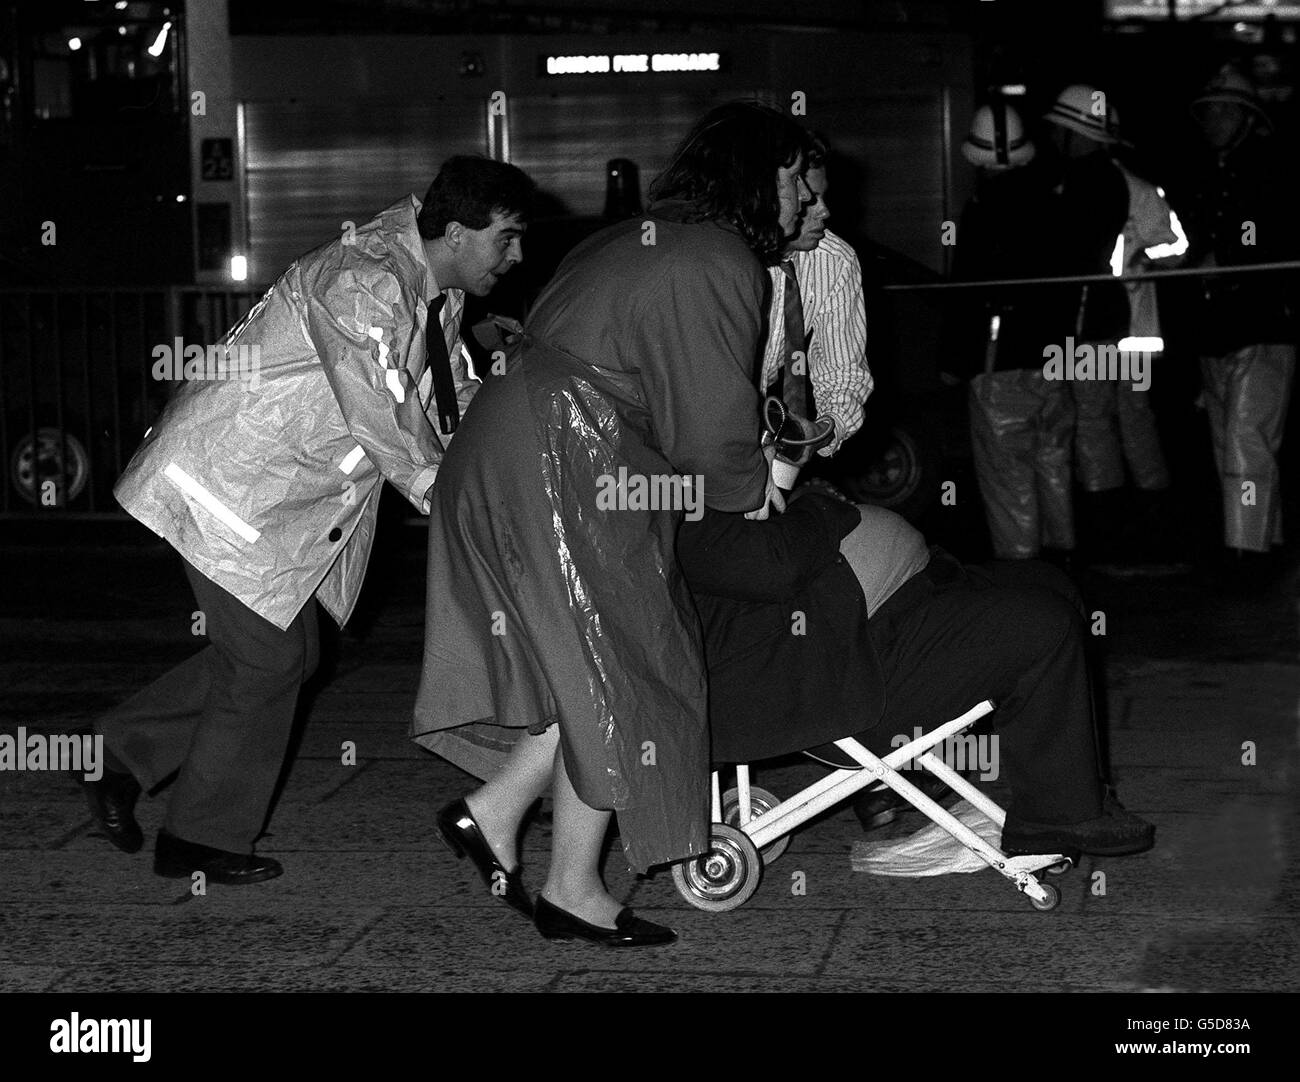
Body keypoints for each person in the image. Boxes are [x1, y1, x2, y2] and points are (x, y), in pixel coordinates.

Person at [411, 103, 810, 947]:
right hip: (568, 455)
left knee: (580, 663)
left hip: (515, 440)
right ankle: (570, 889)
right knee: (624, 667)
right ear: (753, 176)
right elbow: (706, 421)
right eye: (795, 178)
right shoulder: (717, 259)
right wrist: (751, 485)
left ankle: (493, 814)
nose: (808, 196)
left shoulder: (638, 238)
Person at [81, 157, 535, 884]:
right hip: (226, 488)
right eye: (507, 238)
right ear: (455, 230)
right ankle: (199, 837)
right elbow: (385, 413)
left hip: (270, 502)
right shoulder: (363, 280)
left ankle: (117, 756)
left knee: (285, 658)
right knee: (268, 660)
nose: (517, 257)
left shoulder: (433, 295)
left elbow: (454, 403)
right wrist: (454, 502)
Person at [676, 478, 1156, 859]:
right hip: (849, 662)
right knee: (1043, 627)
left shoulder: (690, 480)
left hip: (895, 603)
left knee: (1047, 581)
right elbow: (772, 562)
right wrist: (819, 505)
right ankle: (1057, 814)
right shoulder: (669, 502)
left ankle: (1067, 785)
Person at [1172, 67, 1296, 563]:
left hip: (1260, 326)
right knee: (1236, 442)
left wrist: (1225, 259)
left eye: (1224, 109)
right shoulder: (1212, 173)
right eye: (1209, 109)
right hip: (1218, 330)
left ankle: (1246, 551)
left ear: (1246, 116)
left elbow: (1258, 237)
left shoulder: (1270, 171)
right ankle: (1265, 538)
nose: (1213, 118)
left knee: (1246, 443)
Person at [953, 101, 1078, 563]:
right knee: (1053, 462)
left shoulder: (981, 210)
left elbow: (968, 291)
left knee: (1009, 475)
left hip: (998, 360)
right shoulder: (1057, 202)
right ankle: (1064, 557)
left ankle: (1023, 575)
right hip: (1054, 357)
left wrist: (954, 360)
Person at [1042, 84, 1137, 562]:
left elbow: (1067, 249)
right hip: (1097, 316)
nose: (1054, 137)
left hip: (1087, 320)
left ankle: (1107, 534)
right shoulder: (1100, 177)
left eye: (1061, 130)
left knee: (1091, 425)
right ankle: (1108, 528)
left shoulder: (1086, 180)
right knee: (1093, 423)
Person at [757, 132, 873, 484]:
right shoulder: (727, 256)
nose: (824, 211)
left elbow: (842, 374)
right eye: (807, 202)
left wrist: (823, 429)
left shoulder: (835, 260)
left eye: (824, 196)